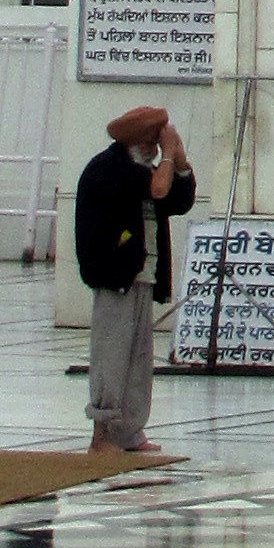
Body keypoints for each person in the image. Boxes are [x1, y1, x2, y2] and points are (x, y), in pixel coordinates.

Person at [72, 105, 197, 457]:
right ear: (141, 139)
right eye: (154, 140)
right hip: (115, 274)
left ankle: (129, 432)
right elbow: (159, 189)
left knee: (138, 360)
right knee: (111, 356)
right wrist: (170, 156)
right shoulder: (111, 167)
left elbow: (178, 199)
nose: (158, 147)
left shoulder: (143, 169)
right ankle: (102, 432)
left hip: (142, 275)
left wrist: (181, 162)